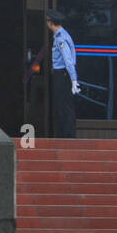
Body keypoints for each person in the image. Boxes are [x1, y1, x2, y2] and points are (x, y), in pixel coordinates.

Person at [46, 9, 78, 138]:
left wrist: (74, 79)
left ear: (51, 22)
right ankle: (66, 135)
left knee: (63, 105)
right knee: (64, 105)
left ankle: (66, 136)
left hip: (62, 75)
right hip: (64, 75)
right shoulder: (63, 35)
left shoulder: (60, 38)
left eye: (47, 21)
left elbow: (68, 60)